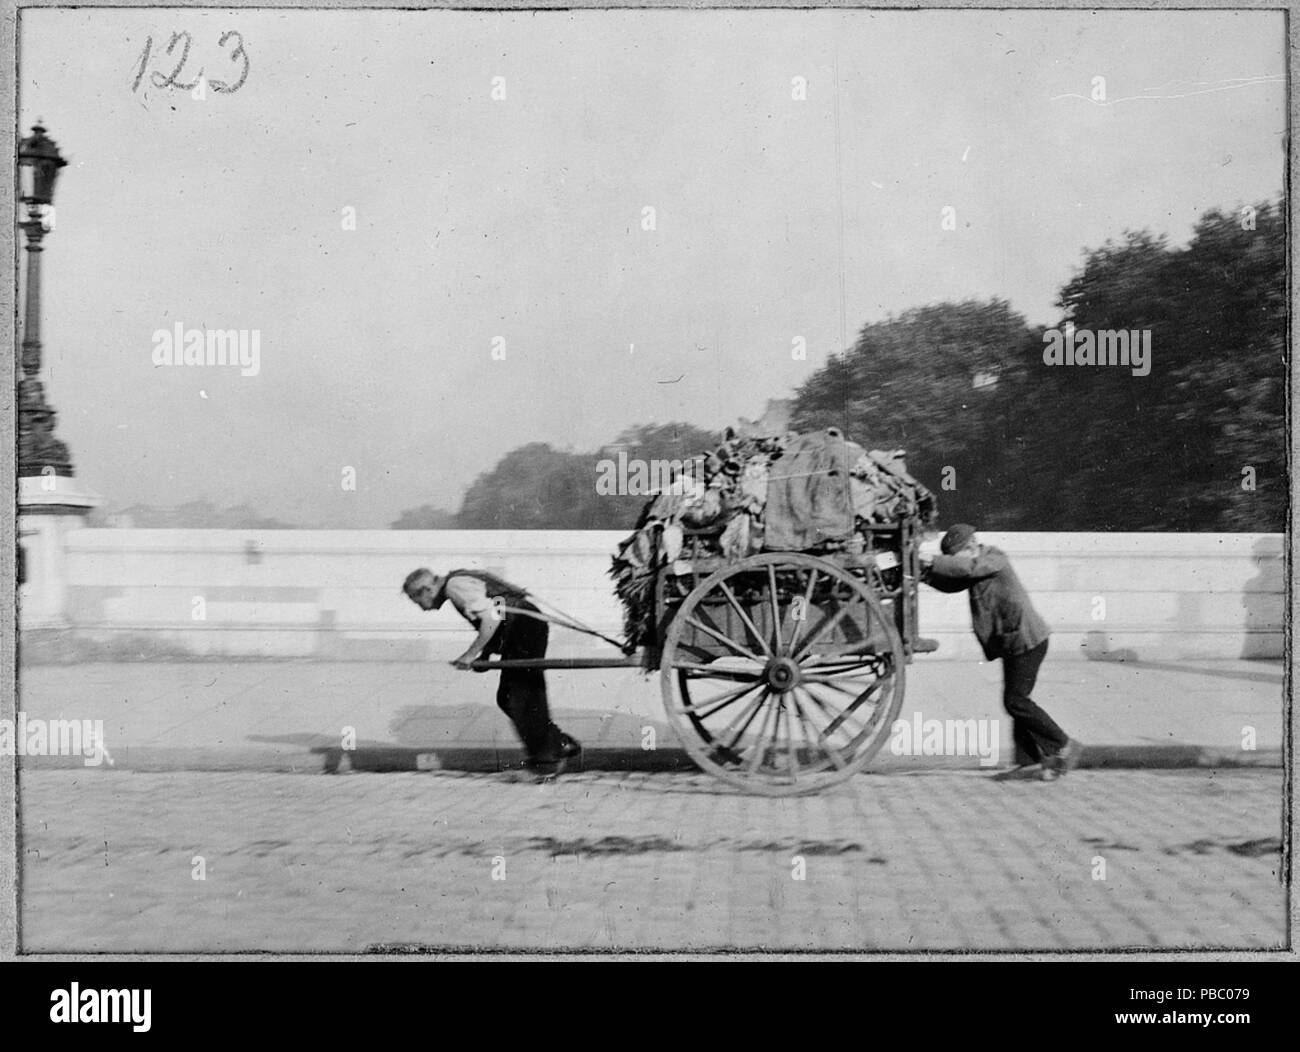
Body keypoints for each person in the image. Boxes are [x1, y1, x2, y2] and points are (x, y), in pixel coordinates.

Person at [920, 524, 1082, 782]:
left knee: (1016, 701)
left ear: (972, 546)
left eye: (955, 556)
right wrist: (923, 573)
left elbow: (967, 569)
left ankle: (1064, 744)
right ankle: (1029, 762)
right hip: (1013, 642)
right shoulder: (975, 563)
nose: (955, 562)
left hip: (1028, 641)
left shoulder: (994, 558)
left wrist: (932, 560)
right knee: (1017, 701)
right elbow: (953, 582)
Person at [403, 567, 581, 779]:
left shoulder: (454, 587)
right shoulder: (457, 582)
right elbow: (497, 608)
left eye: (418, 602)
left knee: (521, 697)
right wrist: (485, 656)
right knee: (509, 697)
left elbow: (491, 619)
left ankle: (547, 762)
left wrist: (470, 655)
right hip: (522, 627)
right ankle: (558, 744)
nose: (423, 609)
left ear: (427, 590)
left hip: (523, 627)